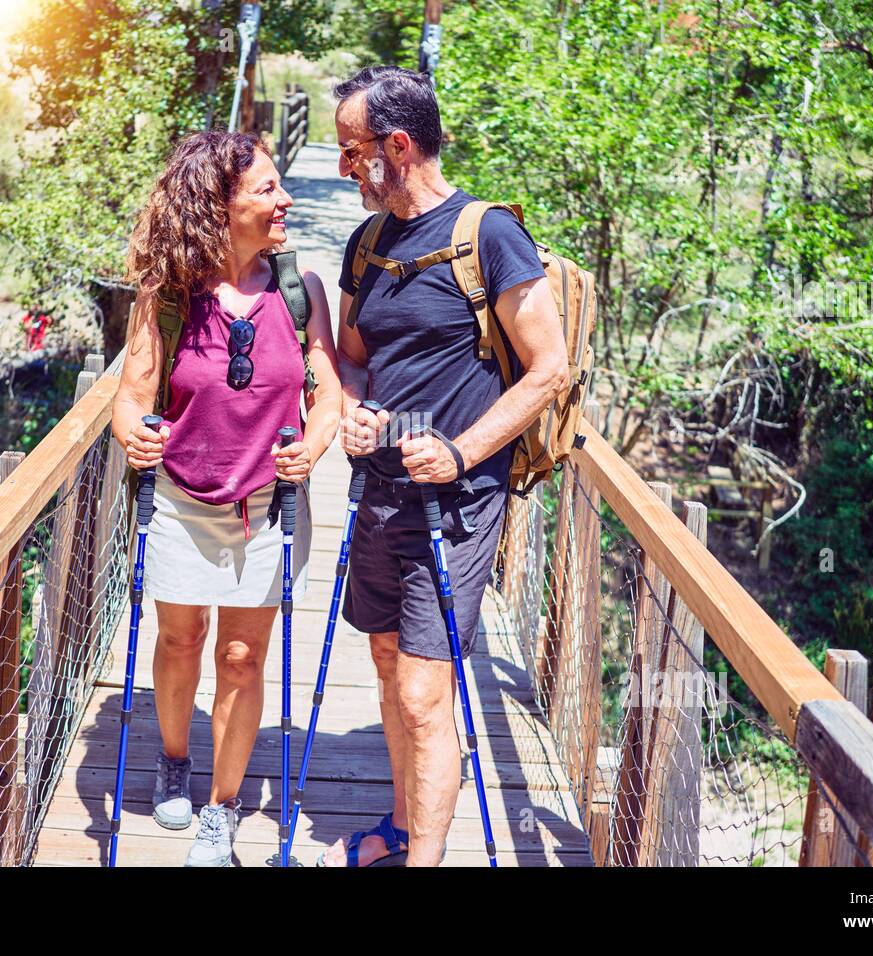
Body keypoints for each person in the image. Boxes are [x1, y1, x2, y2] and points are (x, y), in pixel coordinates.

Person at [319, 66, 570, 867]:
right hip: (381, 496)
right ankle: (400, 829)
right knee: (391, 666)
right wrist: (352, 406)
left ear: (399, 145)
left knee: (427, 695)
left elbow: (549, 369)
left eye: (353, 151)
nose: (342, 168)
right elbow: (355, 358)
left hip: (459, 502)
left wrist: (461, 450)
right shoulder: (369, 245)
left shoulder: (489, 234)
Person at [112, 130, 342, 867]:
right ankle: (175, 760)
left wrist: (317, 444)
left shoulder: (301, 294)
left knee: (243, 657)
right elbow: (130, 398)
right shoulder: (169, 295)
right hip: (181, 498)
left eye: (280, 185)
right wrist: (133, 436)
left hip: (269, 504)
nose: (286, 200)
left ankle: (222, 806)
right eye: (268, 190)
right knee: (181, 640)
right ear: (220, 206)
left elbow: (329, 393)